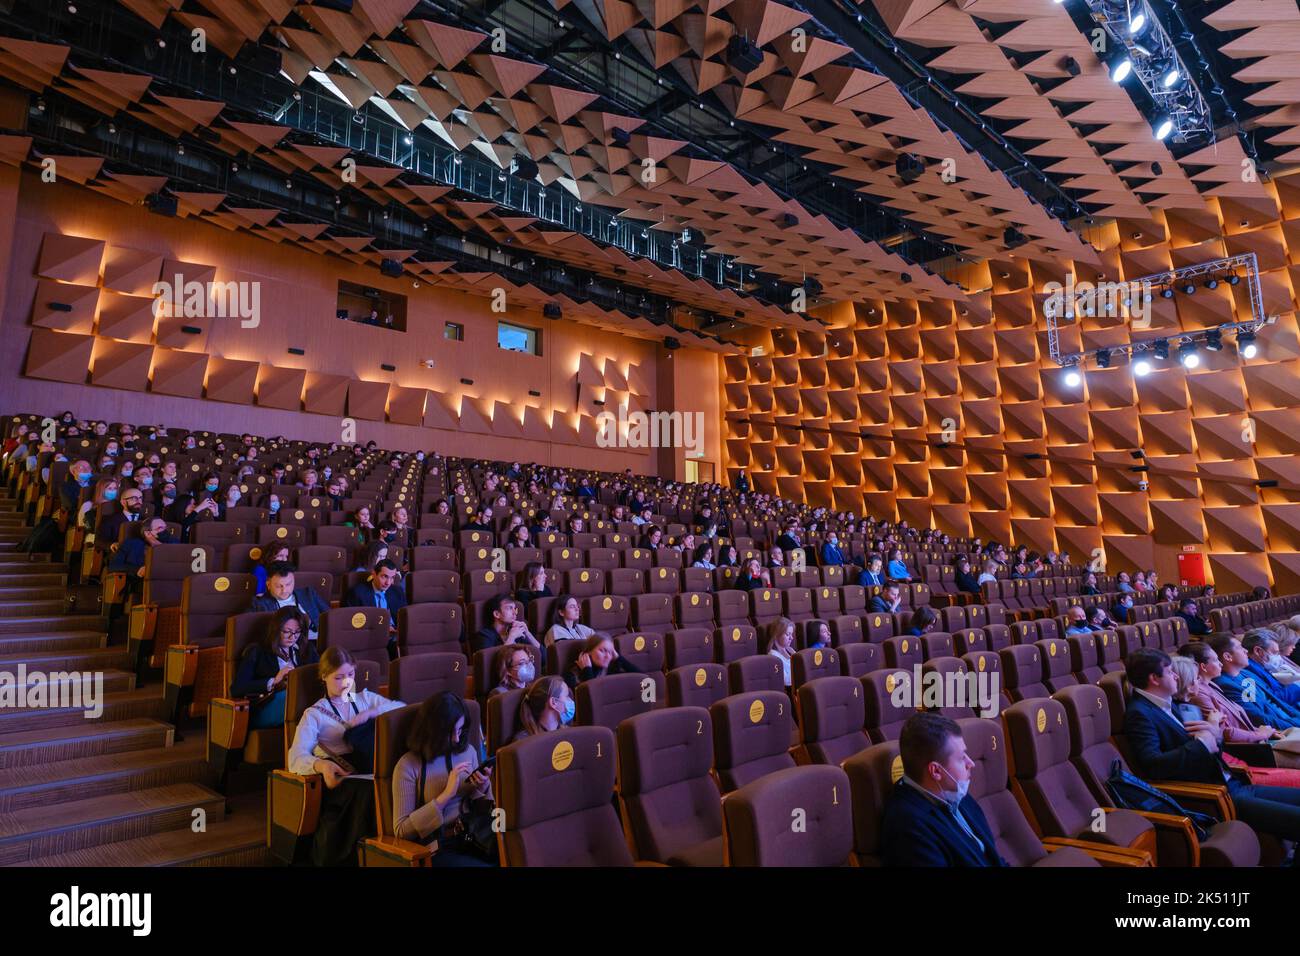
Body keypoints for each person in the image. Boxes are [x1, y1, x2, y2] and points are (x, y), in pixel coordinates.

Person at [1123, 646, 1300, 851]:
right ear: (1154, 678)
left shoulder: (1169, 704)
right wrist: (1202, 744)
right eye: (1170, 672)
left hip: (1233, 782)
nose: (1176, 677)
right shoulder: (1140, 714)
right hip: (1215, 796)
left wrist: (1213, 736)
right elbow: (1153, 766)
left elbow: (1210, 745)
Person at [287, 646, 404, 867]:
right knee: (370, 793)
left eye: (350, 675)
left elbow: (401, 708)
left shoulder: (364, 699)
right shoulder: (314, 713)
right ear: (324, 677)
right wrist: (321, 766)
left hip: (370, 766)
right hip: (340, 775)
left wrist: (370, 713)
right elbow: (295, 757)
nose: (345, 683)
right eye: (338, 677)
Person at [880, 713, 1005, 867]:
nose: (971, 763)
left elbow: (992, 859)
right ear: (936, 771)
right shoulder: (909, 827)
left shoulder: (955, 794)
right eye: (961, 758)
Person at [392, 692, 496, 866]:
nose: (456, 739)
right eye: (450, 733)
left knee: (518, 854)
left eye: (460, 730)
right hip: (439, 847)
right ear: (432, 731)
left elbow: (485, 808)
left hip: (475, 834)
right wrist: (445, 796)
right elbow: (401, 831)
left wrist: (483, 787)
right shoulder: (408, 765)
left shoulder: (467, 751)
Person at [1175, 643, 1300, 780]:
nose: (1246, 650)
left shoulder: (1243, 675)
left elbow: (1270, 701)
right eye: (1216, 660)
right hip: (1251, 747)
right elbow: (1254, 716)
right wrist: (1261, 733)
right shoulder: (1219, 686)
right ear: (1227, 656)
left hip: (1268, 731)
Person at [230, 607, 319, 729]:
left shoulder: (307, 650)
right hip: (266, 705)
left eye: (297, 632)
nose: (292, 637)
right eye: (287, 631)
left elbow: (320, 675)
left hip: (301, 701)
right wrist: (274, 681)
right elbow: (236, 688)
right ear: (276, 630)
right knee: (291, 697)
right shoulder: (257, 651)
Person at [1209, 633, 1300, 731]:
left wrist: (1297, 717)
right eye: (1240, 648)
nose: (1246, 651)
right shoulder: (1227, 684)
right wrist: (1295, 724)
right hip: (1282, 730)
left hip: (1290, 720)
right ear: (1227, 656)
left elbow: (1275, 700)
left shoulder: (1245, 673)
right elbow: (1259, 718)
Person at [251, 563, 331, 643]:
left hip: (316, 641)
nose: (284, 590)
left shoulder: (308, 593)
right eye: (279, 586)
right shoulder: (258, 603)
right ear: (268, 585)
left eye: (288, 584)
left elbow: (330, 616)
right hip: (284, 645)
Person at [343, 559, 407, 656]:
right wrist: (382, 628)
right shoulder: (357, 593)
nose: (388, 582)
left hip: (394, 635)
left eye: (392, 578)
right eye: (385, 577)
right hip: (369, 637)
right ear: (374, 574)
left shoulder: (397, 592)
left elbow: (404, 617)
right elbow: (351, 624)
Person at [1242, 630, 1300, 707]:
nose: (1277, 657)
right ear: (1258, 651)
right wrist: (1297, 687)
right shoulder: (1248, 672)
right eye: (1274, 653)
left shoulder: (1260, 666)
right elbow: (1271, 701)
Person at [471, 593, 539, 654]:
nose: (515, 613)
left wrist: (527, 633)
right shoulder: (485, 636)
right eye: (510, 608)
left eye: (515, 609)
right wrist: (511, 638)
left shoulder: (516, 631)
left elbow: (543, 658)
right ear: (497, 614)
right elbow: (489, 664)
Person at [565, 634, 640, 688]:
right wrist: (587, 670)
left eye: (610, 652)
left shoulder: (609, 669)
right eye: (602, 651)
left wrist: (618, 658)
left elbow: (642, 679)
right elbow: (593, 697)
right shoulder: (573, 674)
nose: (607, 656)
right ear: (588, 652)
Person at [513, 676, 573, 742]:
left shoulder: (566, 733)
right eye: (567, 696)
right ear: (553, 703)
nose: (570, 700)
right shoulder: (524, 742)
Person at [765, 616, 795, 687]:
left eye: (792, 634)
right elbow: (787, 682)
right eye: (788, 634)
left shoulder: (790, 650)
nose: (791, 638)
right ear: (776, 635)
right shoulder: (773, 656)